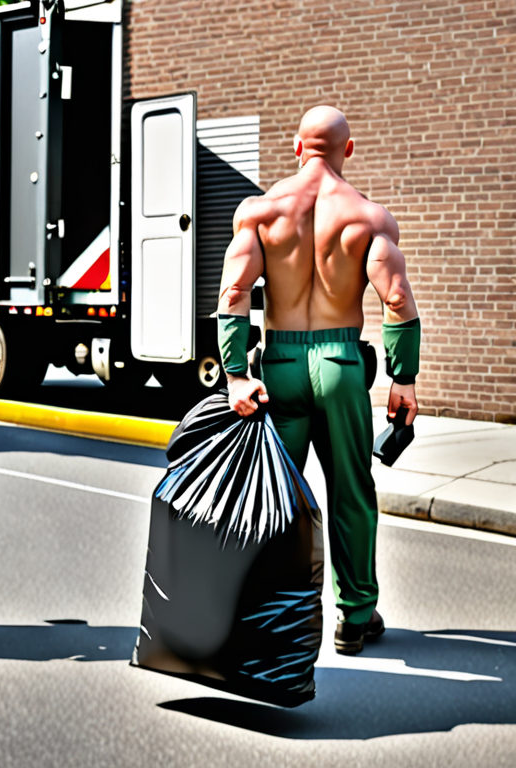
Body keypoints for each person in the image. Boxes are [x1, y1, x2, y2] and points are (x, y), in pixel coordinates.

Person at [216, 106, 420, 655]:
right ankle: (354, 617)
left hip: (279, 365)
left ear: (296, 147)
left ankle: (271, 615)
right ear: (347, 151)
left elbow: (234, 294)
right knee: (351, 492)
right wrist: (403, 380)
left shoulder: (260, 212)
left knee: (276, 496)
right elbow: (397, 299)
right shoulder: (370, 218)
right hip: (341, 367)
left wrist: (237, 375)